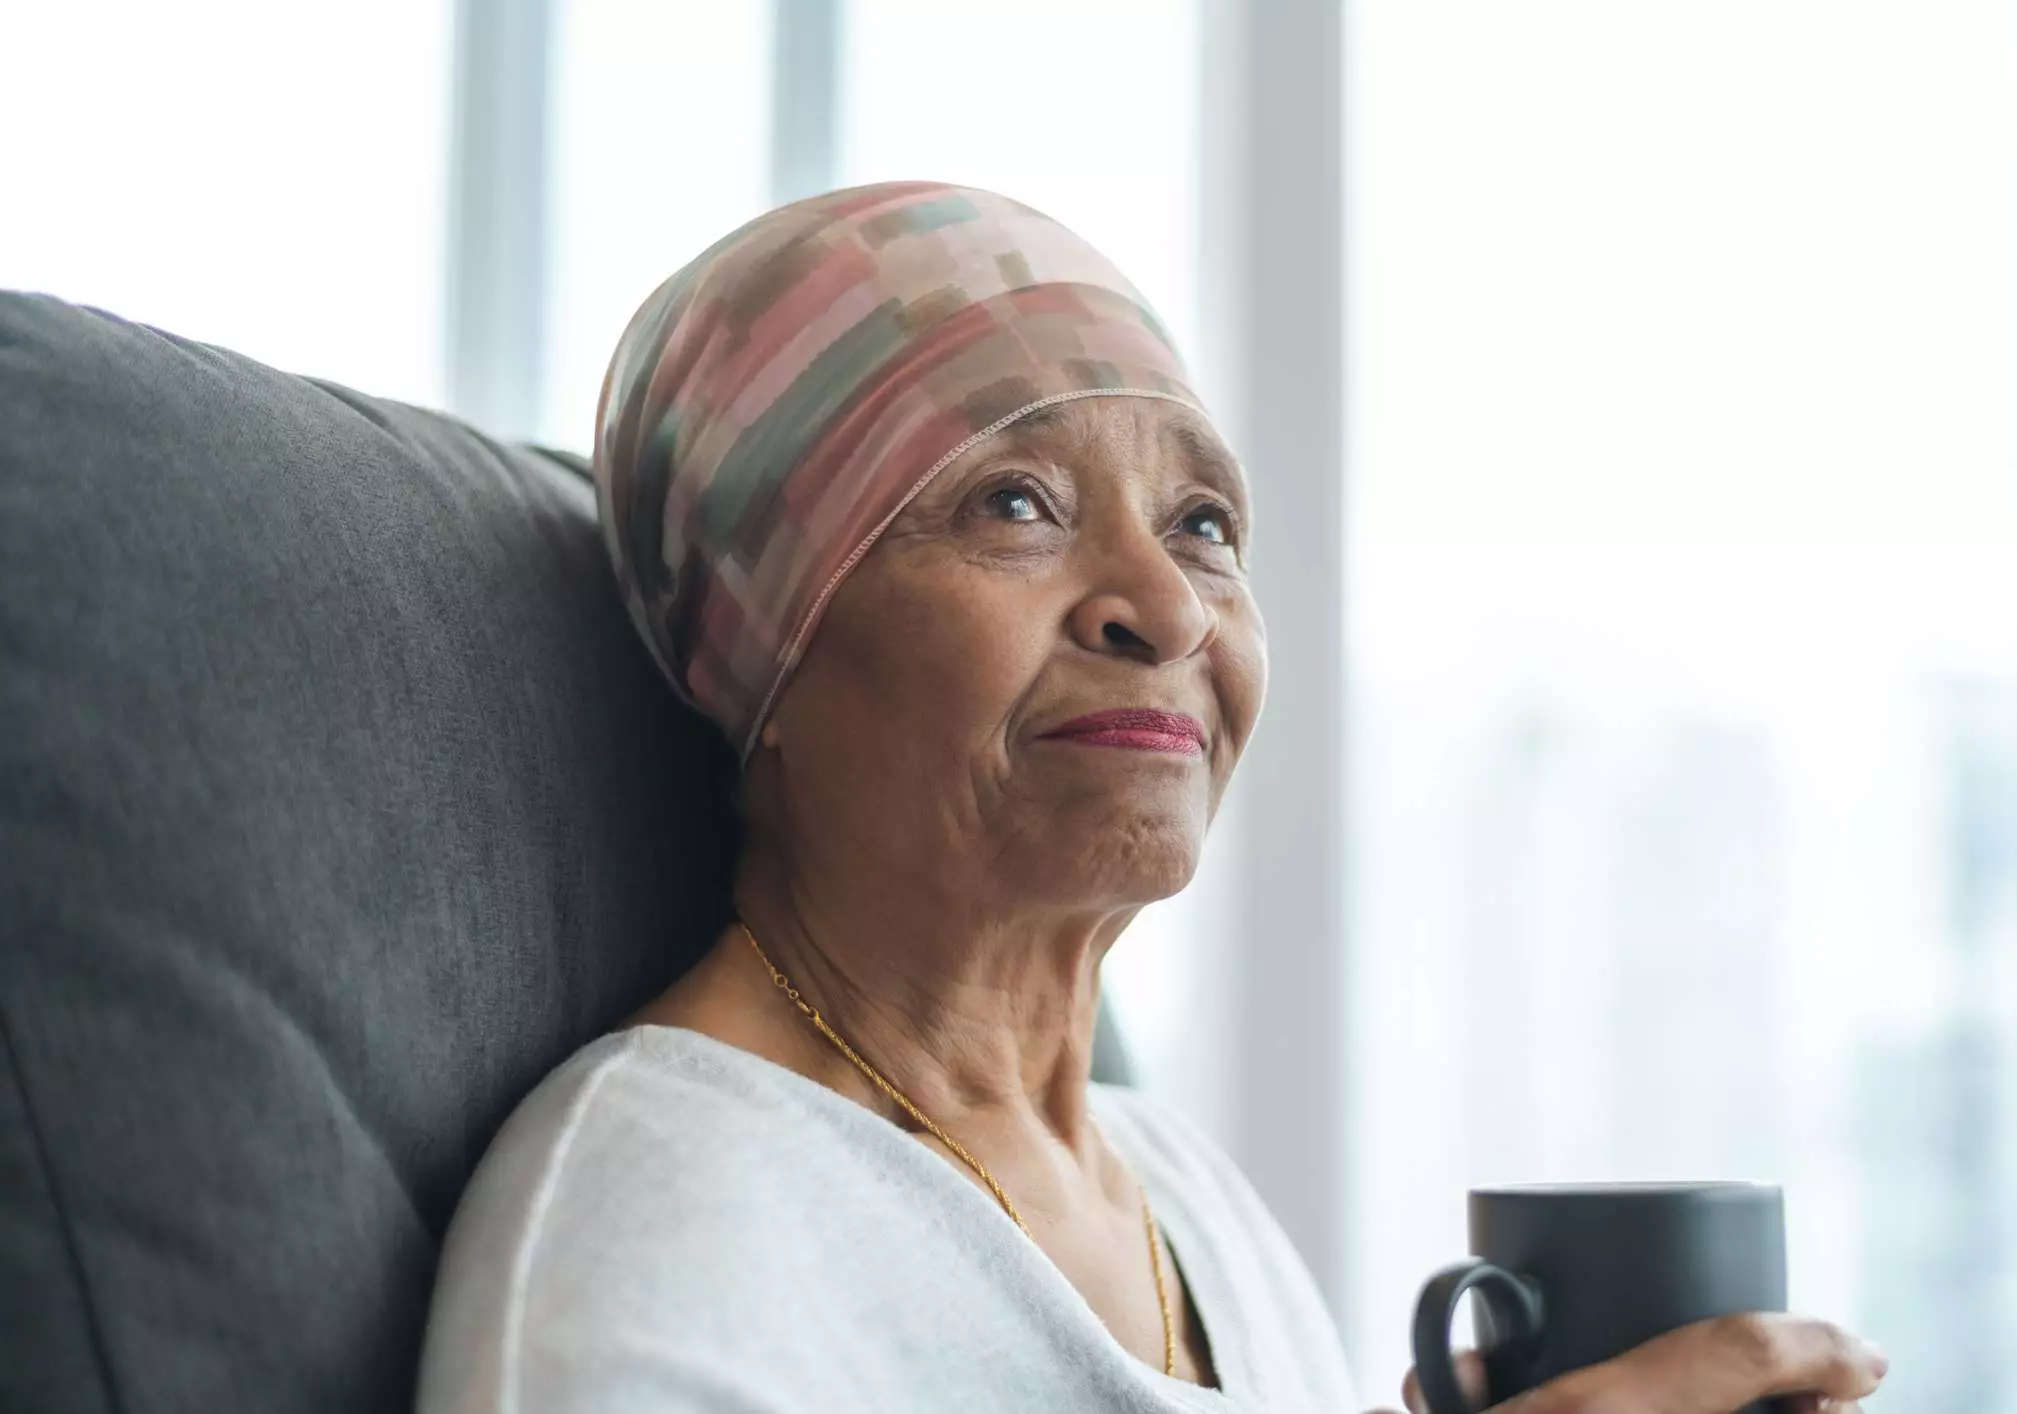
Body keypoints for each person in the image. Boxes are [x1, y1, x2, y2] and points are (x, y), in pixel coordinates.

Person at [414, 181, 1889, 1413]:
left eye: (1202, 523)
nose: (1166, 610)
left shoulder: (1189, 1192)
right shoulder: (662, 1233)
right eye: (1014, 504)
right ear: (766, 652)